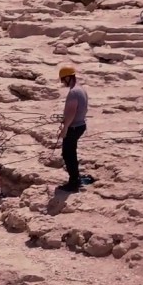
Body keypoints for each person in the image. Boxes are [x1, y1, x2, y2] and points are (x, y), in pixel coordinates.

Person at [56, 65, 88, 193]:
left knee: (68, 155)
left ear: (69, 78)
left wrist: (64, 129)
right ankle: (76, 178)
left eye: (63, 79)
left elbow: (71, 113)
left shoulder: (73, 92)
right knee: (71, 153)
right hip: (80, 125)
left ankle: (74, 182)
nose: (62, 82)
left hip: (73, 127)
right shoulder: (81, 89)